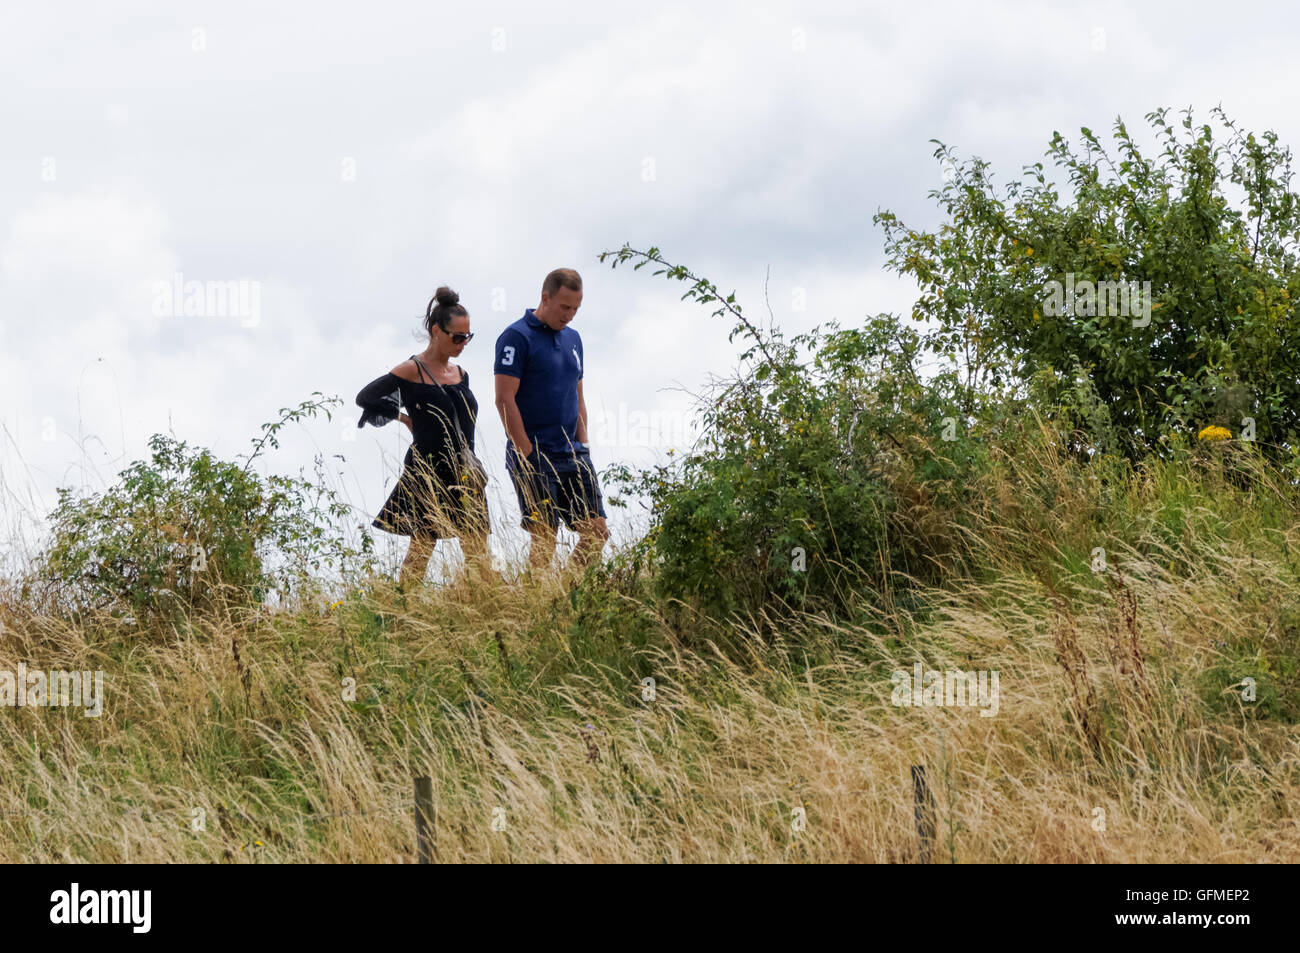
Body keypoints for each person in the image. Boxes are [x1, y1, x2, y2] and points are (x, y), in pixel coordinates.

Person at [356, 286, 490, 588]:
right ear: (436, 331)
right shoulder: (412, 370)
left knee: (478, 549)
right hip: (427, 471)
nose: (463, 343)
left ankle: (484, 609)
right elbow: (366, 397)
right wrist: (404, 419)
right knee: (421, 547)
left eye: (468, 336)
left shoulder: (461, 374)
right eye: (457, 336)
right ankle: (405, 609)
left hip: (465, 470)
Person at [494, 267, 610, 572]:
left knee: (597, 532)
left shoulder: (574, 338)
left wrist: (582, 443)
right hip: (534, 454)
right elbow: (504, 399)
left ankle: (564, 594)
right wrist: (527, 454)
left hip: (573, 452)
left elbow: (578, 393)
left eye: (576, 308)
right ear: (545, 297)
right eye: (565, 307)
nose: (570, 314)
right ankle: (536, 606)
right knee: (545, 537)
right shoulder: (515, 337)